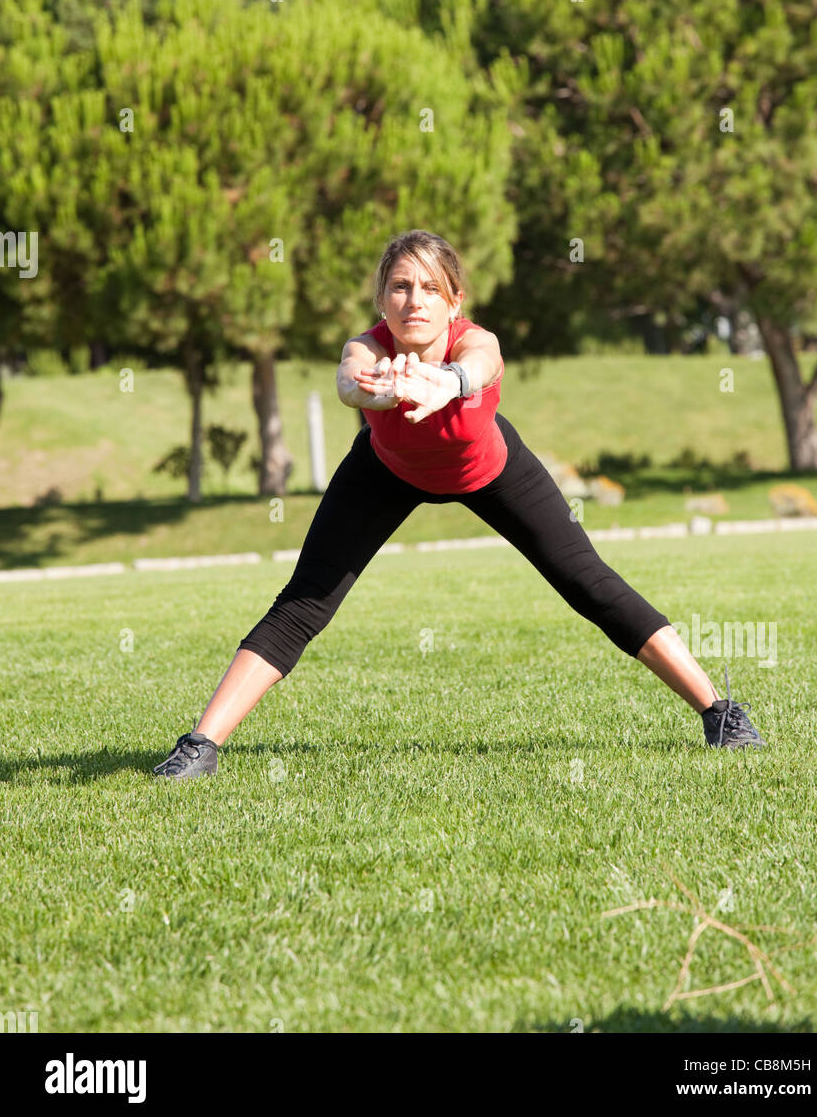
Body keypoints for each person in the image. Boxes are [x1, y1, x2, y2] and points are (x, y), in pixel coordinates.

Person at [153, 230, 764, 779]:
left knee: (589, 584)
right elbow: (346, 382)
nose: (414, 300)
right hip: (384, 471)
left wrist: (442, 382)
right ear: (381, 300)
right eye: (399, 286)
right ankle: (200, 747)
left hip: (492, 471)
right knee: (304, 602)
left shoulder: (476, 342)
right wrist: (381, 391)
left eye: (429, 288)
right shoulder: (367, 350)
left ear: (454, 302)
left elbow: (480, 364)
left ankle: (721, 714)